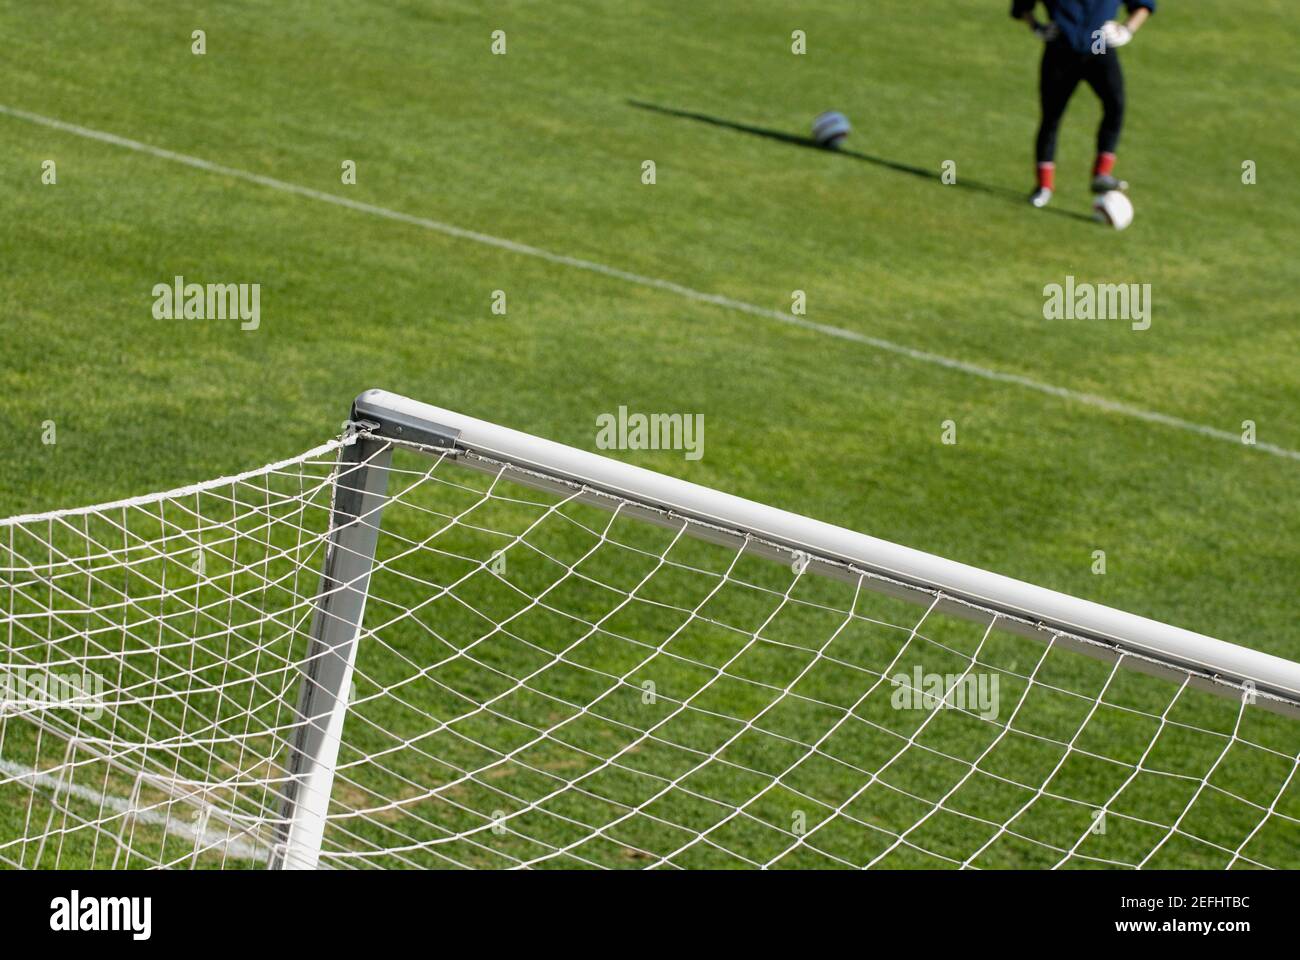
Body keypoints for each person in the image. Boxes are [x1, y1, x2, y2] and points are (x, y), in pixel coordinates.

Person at [1012, 0, 1154, 208]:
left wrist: (1127, 30)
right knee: (1051, 116)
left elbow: (1143, 4)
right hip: (1061, 46)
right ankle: (1044, 186)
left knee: (1115, 105)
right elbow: (1022, 4)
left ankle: (1101, 174)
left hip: (1098, 42)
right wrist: (1036, 26)